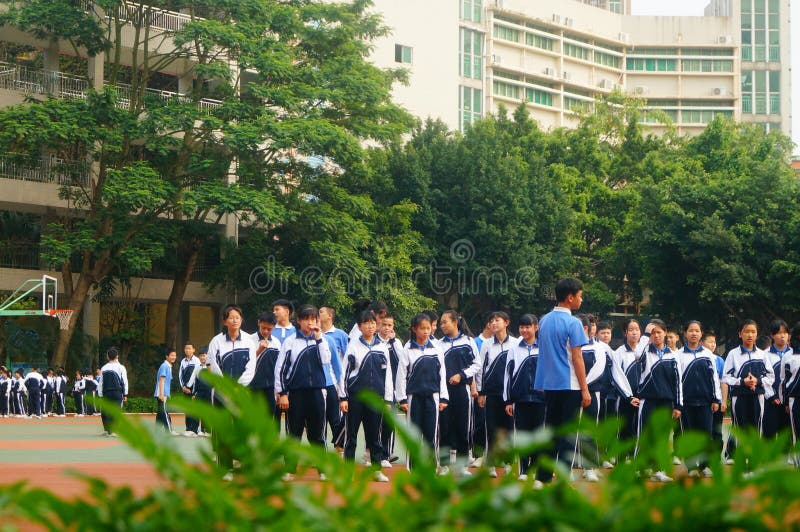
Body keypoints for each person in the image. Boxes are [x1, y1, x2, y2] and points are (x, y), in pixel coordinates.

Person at [534, 278, 591, 486]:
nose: (581, 299)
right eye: (580, 296)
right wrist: (585, 389)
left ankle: (542, 478)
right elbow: (577, 358)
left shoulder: (544, 321)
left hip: (550, 385)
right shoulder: (574, 323)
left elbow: (544, 354)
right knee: (568, 435)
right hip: (570, 385)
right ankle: (564, 479)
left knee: (550, 432)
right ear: (570, 297)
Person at [274, 304, 333, 481]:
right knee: (294, 432)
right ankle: (290, 469)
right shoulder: (290, 342)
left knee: (317, 434)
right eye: (306, 319)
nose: (310, 322)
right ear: (299, 321)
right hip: (296, 394)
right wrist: (282, 393)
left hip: (317, 392)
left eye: (314, 319)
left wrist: (318, 338)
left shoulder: (322, 340)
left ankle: (322, 469)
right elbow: (280, 369)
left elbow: (326, 360)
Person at [340, 311, 395, 482]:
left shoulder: (382, 347)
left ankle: (377, 470)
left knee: (374, 436)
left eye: (373, 323)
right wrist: (343, 397)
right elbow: (344, 373)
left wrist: (387, 400)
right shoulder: (353, 346)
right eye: (366, 323)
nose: (370, 326)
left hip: (375, 399)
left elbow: (388, 375)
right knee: (351, 437)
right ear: (359, 326)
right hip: (356, 398)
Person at [396, 312, 448, 472]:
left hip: (433, 397)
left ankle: (432, 468)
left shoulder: (437, 350)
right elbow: (401, 375)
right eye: (422, 328)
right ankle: (412, 468)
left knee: (431, 434)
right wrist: (402, 399)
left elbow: (442, 374)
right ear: (414, 329)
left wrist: (444, 397)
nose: (426, 331)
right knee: (414, 434)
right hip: (413, 397)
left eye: (428, 328)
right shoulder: (407, 349)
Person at [634, 319, 683, 482]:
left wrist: (678, 405)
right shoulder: (645, 351)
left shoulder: (673, 355)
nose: (656, 335)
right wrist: (645, 335)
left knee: (662, 437)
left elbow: (678, 382)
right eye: (653, 333)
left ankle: (658, 469)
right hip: (647, 400)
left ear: (665, 334)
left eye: (659, 332)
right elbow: (636, 354)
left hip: (666, 402)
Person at [721, 320, 774, 465]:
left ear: (757, 334)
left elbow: (771, 377)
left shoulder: (763, 355)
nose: (750, 335)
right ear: (740, 334)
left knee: (757, 428)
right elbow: (726, 377)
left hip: (758, 397)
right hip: (739, 397)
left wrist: (757, 381)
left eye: (753, 332)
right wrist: (742, 382)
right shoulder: (733, 354)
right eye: (746, 331)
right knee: (740, 430)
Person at [438, 310, 480, 475]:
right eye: (441, 323)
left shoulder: (469, 341)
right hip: (444, 392)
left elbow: (477, 364)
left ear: (455, 322)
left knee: (463, 428)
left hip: (462, 391)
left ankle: (462, 466)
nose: (442, 325)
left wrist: (461, 375)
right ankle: (444, 465)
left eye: (445, 322)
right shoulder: (439, 344)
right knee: (444, 428)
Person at [677, 321, 721, 477]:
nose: (694, 333)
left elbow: (714, 378)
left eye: (697, 330)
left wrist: (717, 399)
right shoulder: (678, 355)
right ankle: (691, 467)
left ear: (701, 334)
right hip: (686, 403)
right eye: (691, 330)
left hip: (705, 403)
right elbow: (677, 381)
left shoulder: (708, 355)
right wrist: (678, 403)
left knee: (706, 436)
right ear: (685, 333)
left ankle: (706, 465)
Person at [504, 313, 544, 481]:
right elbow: (507, 374)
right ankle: (523, 470)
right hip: (520, 400)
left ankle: (536, 468)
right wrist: (508, 400)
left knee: (538, 435)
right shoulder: (514, 348)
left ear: (536, 327)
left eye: (528, 326)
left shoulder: (544, 347)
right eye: (522, 327)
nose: (524, 330)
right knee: (521, 435)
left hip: (541, 400)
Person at [477, 311, 516, 477]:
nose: (493, 323)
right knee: (491, 428)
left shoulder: (516, 343)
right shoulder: (486, 344)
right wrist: (480, 392)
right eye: (491, 321)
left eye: (497, 320)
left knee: (508, 428)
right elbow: (481, 369)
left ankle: (508, 463)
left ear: (506, 323)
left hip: (509, 395)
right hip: (491, 393)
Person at [249, 312, 282, 424]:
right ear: (258, 323)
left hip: (270, 388)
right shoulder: (249, 340)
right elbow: (245, 363)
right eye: (263, 328)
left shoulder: (276, 343)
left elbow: (279, 368)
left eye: (269, 329)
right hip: (252, 387)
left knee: (268, 420)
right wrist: (259, 350)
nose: (266, 331)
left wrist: (279, 390)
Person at [377, 312, 401, 464]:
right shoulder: (373, 342)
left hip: (390, 390)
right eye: (384, 325)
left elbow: (401, 361)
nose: (386, 328)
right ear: (378, 325)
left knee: (388, 422)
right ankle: (373, 453)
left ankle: (385, 455)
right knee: (373, 422)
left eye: (389, 325)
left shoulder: (396, 343)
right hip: (375, 387)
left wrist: (393, 342)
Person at [702, 330, 727, 460]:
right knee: (704, 432)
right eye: (710, 342)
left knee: (717, 431)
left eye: (714, 342)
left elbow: (723, 381)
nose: (713, 345)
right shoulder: (699, 359)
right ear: (702, 342)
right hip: (703, 401)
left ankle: (715, 459)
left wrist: (723, 401)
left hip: (717, 401)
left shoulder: (720, 361)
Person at [765, 319, 792, 440]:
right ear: (772, 335)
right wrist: (772, 396)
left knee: (786, 437)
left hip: (788, 402)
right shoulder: (764, 354)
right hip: (770, 401)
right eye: (779, 333)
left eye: (785, 333)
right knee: (768, 434)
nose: (782, 336)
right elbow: (763, 378)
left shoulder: (795, 354)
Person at [97, 346, 129, 436]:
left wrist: (100, 395)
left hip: (106, 392)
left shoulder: (103, 368)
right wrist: (125, 394)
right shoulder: (121, 367)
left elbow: (101, 383)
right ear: (117, 356)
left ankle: (107, 430)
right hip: (117, 392)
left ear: (107, 356)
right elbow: (125, 381)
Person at [188, 348, 213, 437]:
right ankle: (194, 430)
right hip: (199, 391)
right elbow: (193, 379)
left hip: (209, 392)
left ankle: (206, 431)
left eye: (204, 355)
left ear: (207, 356)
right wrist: (191, 391)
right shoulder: (197, 366)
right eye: (201, 356)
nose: (202, 357)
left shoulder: (212, 367)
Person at [178, 341, 201, 437]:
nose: (187, 350)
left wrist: (193, 390)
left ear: (193, 350)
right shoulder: (183, 361)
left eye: (189, 348)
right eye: (186, 348)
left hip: (194, 390)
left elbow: (197, 376)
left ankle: (194, 430)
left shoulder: (197, 361)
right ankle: (188, 429)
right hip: (185, 389)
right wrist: (183, 387)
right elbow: (180, 375)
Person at [154, 349, 177, 433]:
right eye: (172, 355)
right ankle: (169, 430)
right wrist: (161, 394)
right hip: (162, 393)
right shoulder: (165, 366)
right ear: (167, 356)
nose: (174, 357)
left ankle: (157, 431)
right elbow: (161, 380)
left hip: (164, 393)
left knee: (161, 413)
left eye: (175, 355)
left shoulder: (168, 366)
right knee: (164, 411)